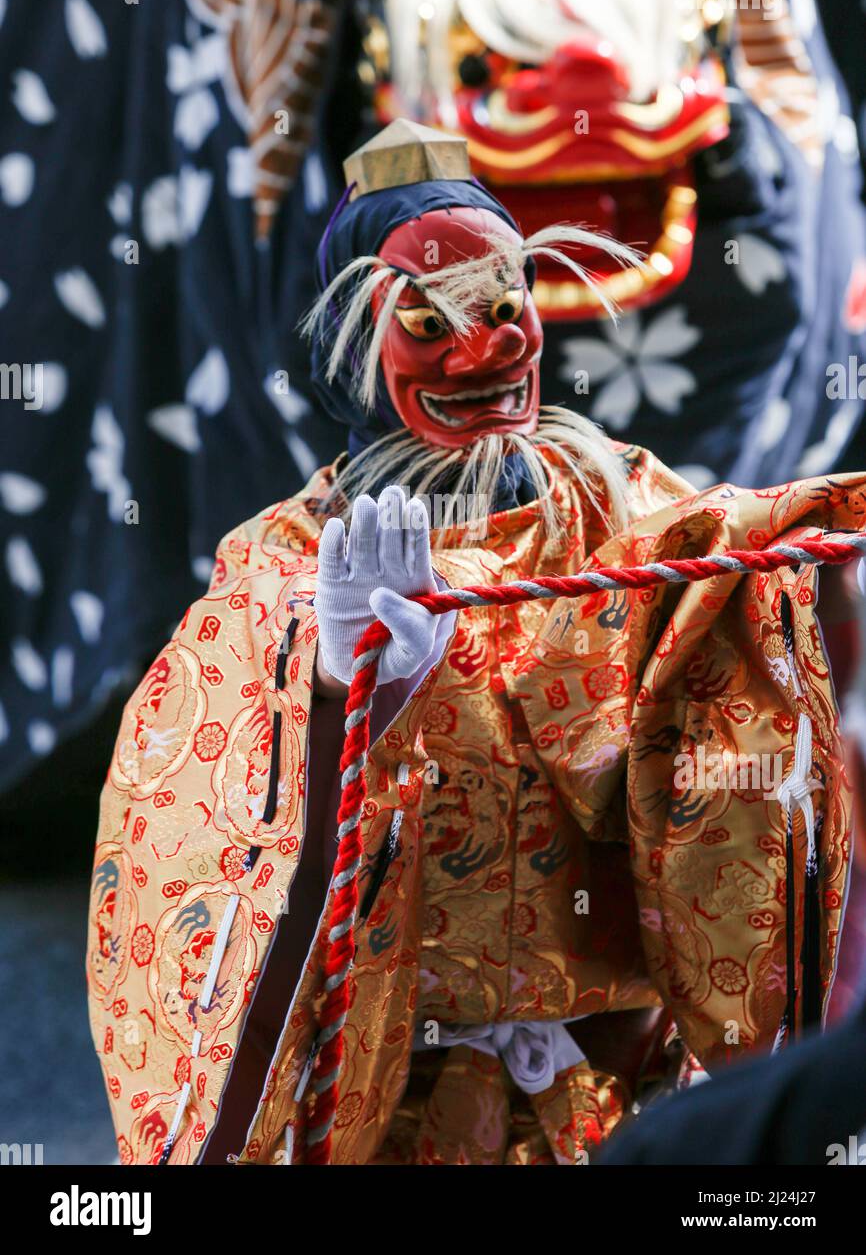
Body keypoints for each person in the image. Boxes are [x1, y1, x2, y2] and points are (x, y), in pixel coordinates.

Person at [87, 120, 865, 1165]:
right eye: (427, 321)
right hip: (389, 1123)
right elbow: (196, 833)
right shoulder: (282, 563)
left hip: (596, 1110)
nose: (486, 347)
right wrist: (335, 692)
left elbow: (726, 681)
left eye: (505, 309)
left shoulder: (625, 513)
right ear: (353, 352)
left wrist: (799, 570)